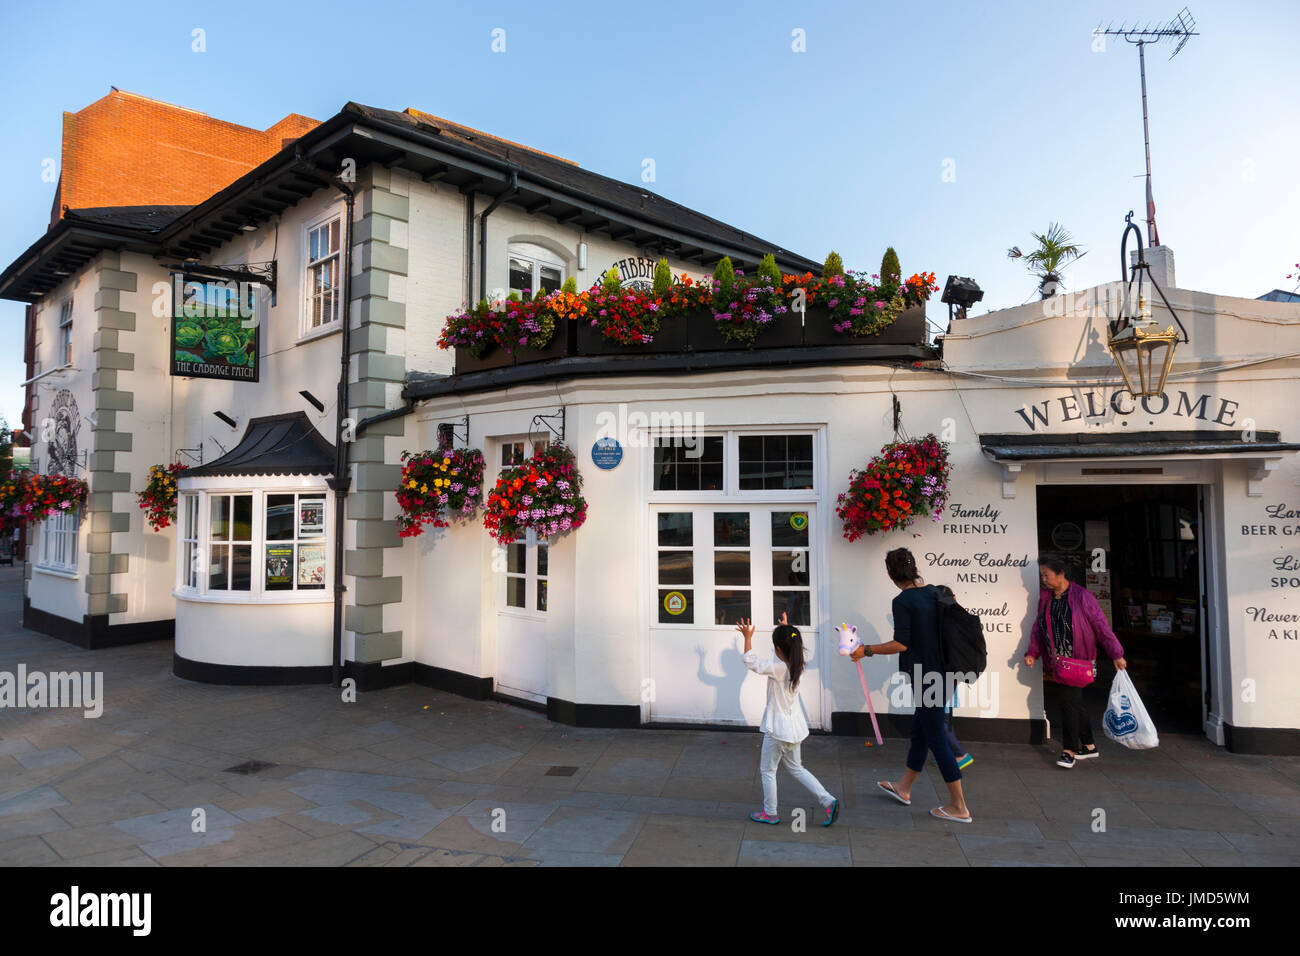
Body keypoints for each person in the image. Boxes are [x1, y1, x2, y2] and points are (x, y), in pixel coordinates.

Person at [853, 547, 972, 823]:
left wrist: (866, 650)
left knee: (937, 739)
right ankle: (904, 788)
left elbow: (901, 644)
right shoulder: (936, 592)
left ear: (890, 574)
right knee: (920, 731)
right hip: (946, 673)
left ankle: (959, 806)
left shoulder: (903, 601)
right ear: (914, 567)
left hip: (928, 677)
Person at [1024, 556, 1127, 769]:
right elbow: (1038, 627)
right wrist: (1033, 652)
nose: (1043, 579)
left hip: (1079, 661)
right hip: (1058, 661)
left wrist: (1116, 653)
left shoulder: (1082, 596)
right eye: (1041, 575)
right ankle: (1089, 745)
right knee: (1075, 703)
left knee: (1068, 704)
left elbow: (1101, 627)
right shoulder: (1046, 597)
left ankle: (1069, 750)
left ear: (1061, 574)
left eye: (1047, 574)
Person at [737, 613, 839, 827]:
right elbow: (792, 644)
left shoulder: (779, 668)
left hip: (778, 731)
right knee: (796, 768)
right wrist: (786, 627)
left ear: (779, 649)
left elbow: (751, 661)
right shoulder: (797, 664)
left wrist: (747, 637)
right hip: (794, 729)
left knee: (768, 770)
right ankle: (828, 800)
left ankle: (770, 813)